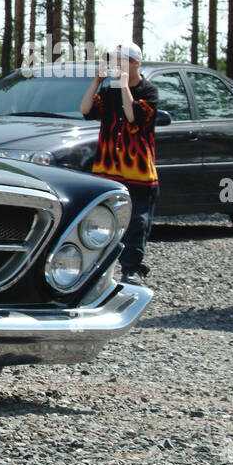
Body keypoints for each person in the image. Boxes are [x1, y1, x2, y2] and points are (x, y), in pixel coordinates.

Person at [79, 42, 158, 284]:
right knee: (104, 217)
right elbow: (85, 109)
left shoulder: (149, 91)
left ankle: (132, 267)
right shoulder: (109, 90)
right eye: (114, 60)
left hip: (138, 169)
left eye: (121, 60)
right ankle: (100, 267)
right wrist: (96, 83)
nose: (116, 65)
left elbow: (134, 116)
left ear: (135, 63)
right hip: (109, 167)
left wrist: (125, 87)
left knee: (137, 220)